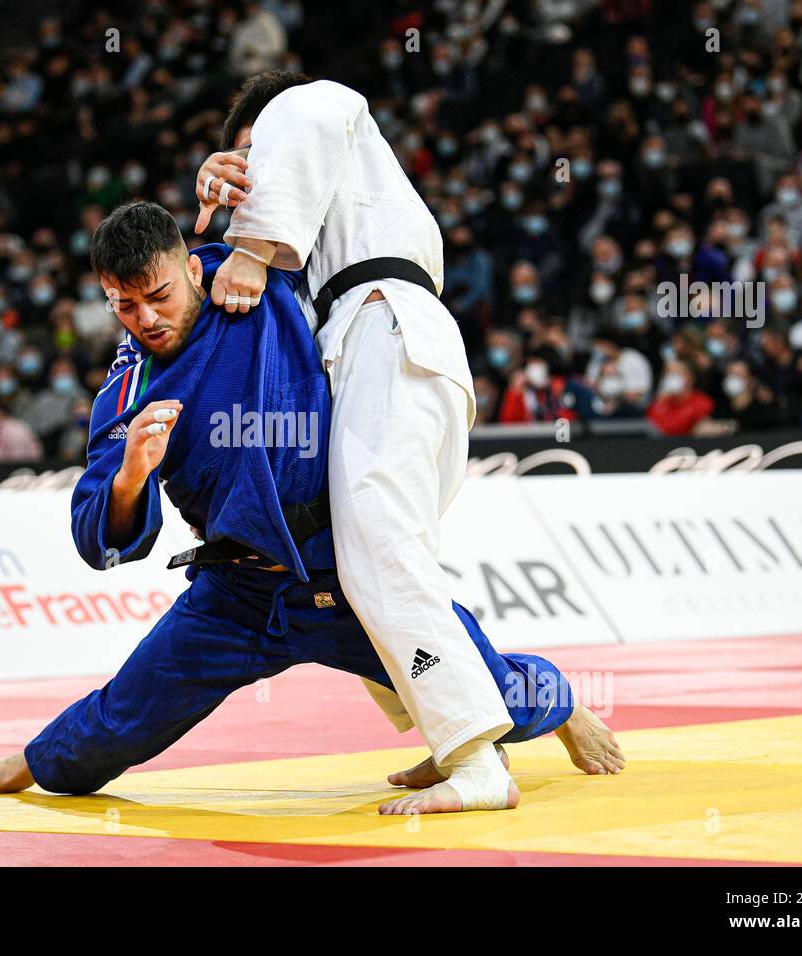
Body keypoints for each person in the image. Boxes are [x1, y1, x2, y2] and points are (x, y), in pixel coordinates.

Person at [0, 202, 622, 811]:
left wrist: (240, 172)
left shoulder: (261, 278)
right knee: (115, 725)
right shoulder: (126, 387)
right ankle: (21, 765)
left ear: (192, 268)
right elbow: (95, 535)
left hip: (341, 571)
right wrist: (133, 473)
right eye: (123, 305)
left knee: (486, 691)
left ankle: (560, 705)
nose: (145, 320)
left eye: (158, 296)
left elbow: (315, 179)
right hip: (236, 594)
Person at [189, 72, 516, 814]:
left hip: (386, 331)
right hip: (390, 345)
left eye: (251, 158)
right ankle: (452, 733)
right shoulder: (342, 216)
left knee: (377, 547)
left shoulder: (307, 106)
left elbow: (310, 113)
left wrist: (248, 247)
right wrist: (215, 214)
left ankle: (477, 762)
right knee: (364, 556)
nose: (253, 176)